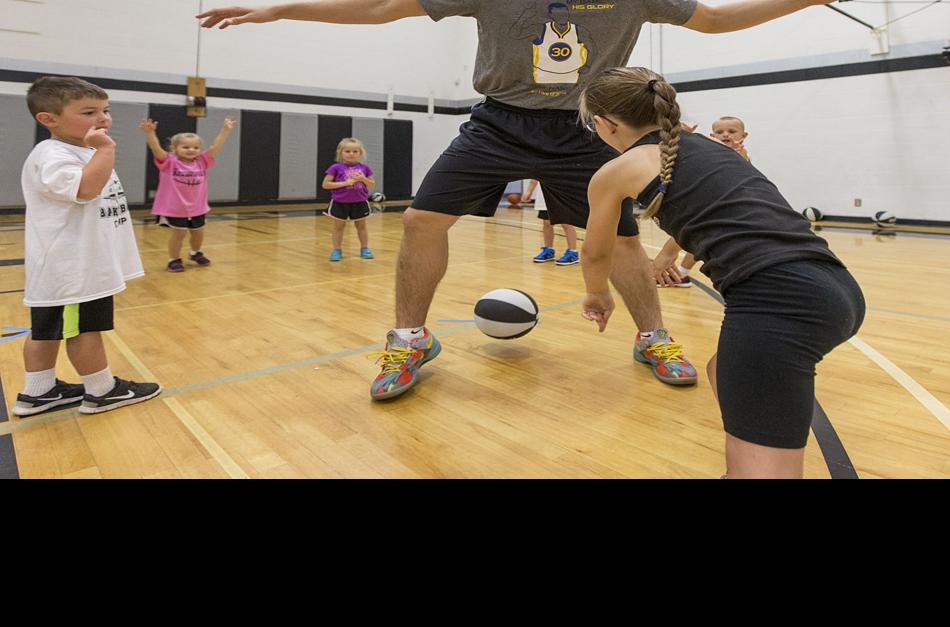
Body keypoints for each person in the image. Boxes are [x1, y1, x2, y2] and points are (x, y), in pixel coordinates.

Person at [197, 0, 836, 402]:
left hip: (589, 126)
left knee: (621, 239)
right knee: (421, 217)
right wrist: (281, 11)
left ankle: (653, 337)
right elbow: (381, 8)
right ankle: (409, 338)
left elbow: (719, 19)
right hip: (499, 122)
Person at [580, 67, 864, 478]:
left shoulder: (616, 172)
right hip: (838, 287)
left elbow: (595, 252)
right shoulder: (712, 148)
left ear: (606, 125)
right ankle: (755, 449)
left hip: (780, 302)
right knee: (722, 369)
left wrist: (597, 294)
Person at [12, 76, 161, 418]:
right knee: (84, 328)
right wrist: (106, 149)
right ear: (48, 119)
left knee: (47, 329)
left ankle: (39, 392)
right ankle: (102, 390)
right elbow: (85, 190)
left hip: (74, 264)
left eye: (105, 111)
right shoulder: (53, 154)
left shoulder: (79, 149)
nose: (103, 119)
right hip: (73, 268)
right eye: (89, 112)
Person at [659, 115, 751, 288]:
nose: (725, 135)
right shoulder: (708, 151)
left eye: (732, 131)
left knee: (701, 241)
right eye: (719, 132)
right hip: (707, 208)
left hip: (733, 211)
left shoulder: (741, 154)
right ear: (712, 136)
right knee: (694, 239)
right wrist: (683, 137)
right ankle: (675, 271)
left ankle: (679, 271)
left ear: (744, 136)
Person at [140, 116, 235, 272]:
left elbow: (216, 146)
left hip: (197, 207)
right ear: (175, 148)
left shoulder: (202, 161)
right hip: (176, 208)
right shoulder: (169, 162)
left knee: (198, 233)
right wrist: (150, 133)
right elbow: (156, 149)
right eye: (186, 147)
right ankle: (174, 259)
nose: (191, 150)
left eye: (196, 148)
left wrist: (225, 130)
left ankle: (195, 253)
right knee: (179, 234)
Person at [322, 137, 376, 261]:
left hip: (360, 202)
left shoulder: (365, 168)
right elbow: (325, 184)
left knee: (361, 226)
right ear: (340, 153)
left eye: (355, 151)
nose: (351, 154)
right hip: (340, 202)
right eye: (347, 151)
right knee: (338, 227)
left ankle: (365, 248)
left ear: (360, 153)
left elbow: (371, 184)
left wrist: (363, 179)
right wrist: (345, 183)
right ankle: (336, 250)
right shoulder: (335, 168)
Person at [521, 178, 580, 264]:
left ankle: (573, 252)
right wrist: (529, 191)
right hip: (544, 193)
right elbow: (535, 175)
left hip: (562, 192)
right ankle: (548, 250)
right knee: (547, 223)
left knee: (566, 223)